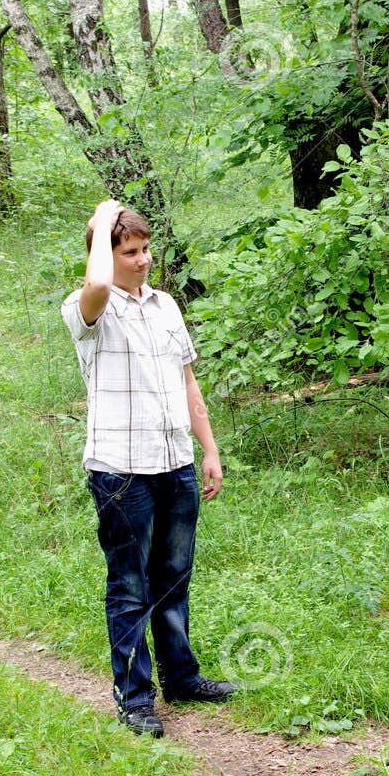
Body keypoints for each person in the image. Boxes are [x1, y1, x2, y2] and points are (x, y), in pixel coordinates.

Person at [61, 198, 235, 738]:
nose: (142, 260)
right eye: (129, 252)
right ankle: (135, 701)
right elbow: (95, 287)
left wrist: (207, 449)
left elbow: (188, 384)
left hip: (174, 463)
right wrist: (99, 219)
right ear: (104, 256)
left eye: (144, 249)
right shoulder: (88, 308)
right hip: (121, 472)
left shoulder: (165, 307)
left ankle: (181, 677)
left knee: (173, 577)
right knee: (131, 586)